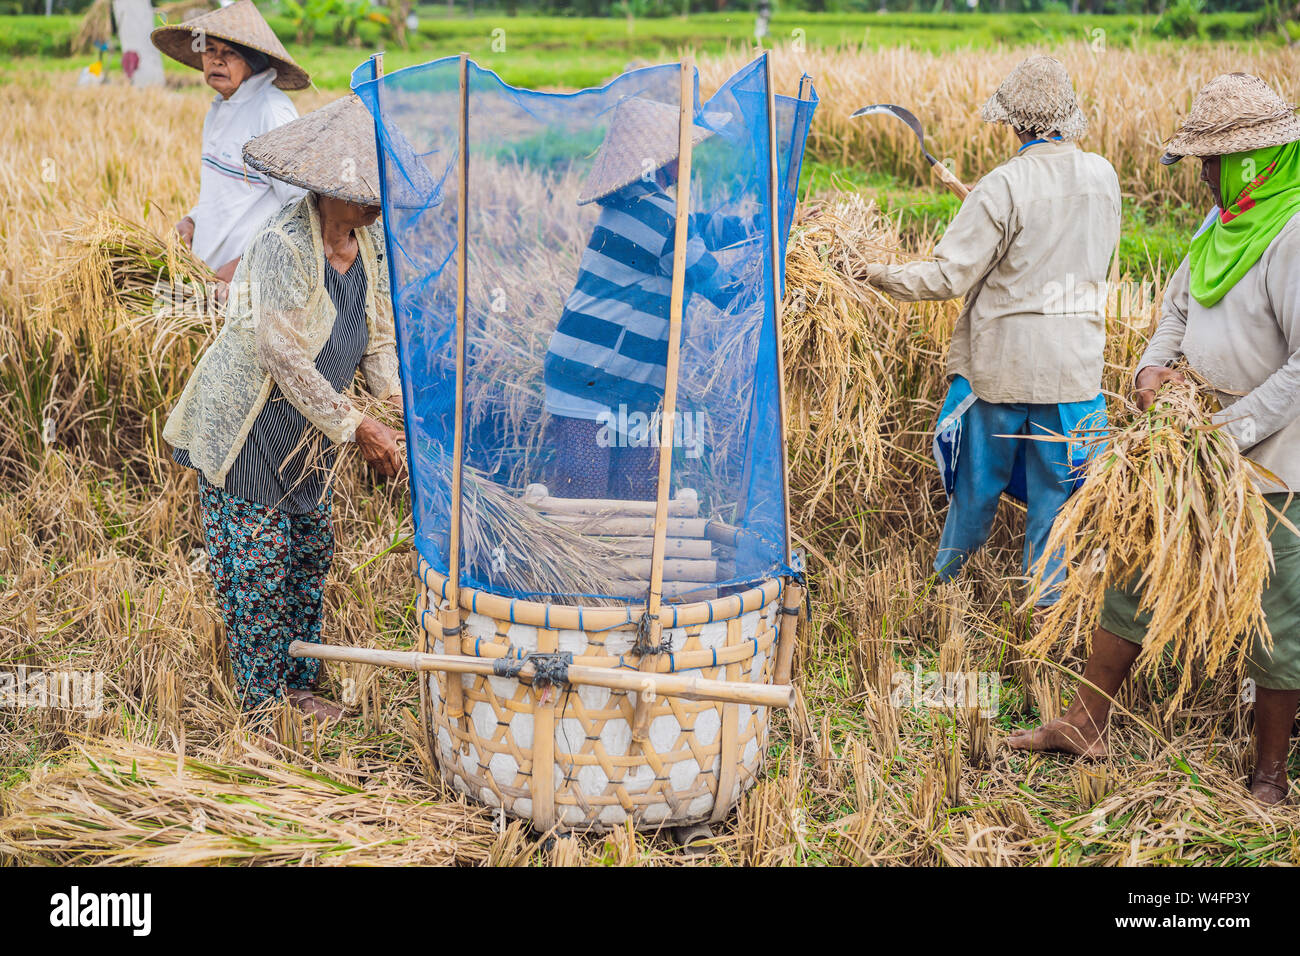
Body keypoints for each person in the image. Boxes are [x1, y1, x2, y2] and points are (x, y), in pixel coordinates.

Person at [1009, 73, 1300, 806]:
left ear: (1253, 162)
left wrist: (1225, 433)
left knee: (1280, 613)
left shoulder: (1292, 237)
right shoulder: (1221, 226)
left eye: (1213, 162)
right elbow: (1177, 309)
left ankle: (1268, 776)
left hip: (1273, 464)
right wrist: (1149, 371)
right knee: (1135, 568)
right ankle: (1085, 722)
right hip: (1190, 448)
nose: (1203, 177)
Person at [163, 96, 405, 721]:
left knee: (308, 551)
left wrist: (399, 409)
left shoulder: (366, 245)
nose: (375, 204)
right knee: (259, 563)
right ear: (325, 188)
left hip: (310, 436)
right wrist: (358, 426)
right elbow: (282, 357)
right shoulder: (281, 243)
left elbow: (375, 338)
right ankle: (265, 707)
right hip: (251, 428)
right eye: (362, 192)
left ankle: (301, 685)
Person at [861, 55, 1121, 616]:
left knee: (976, 491)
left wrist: (874, 272)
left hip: (1003, 371)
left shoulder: (1003, 186)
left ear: (1016, 125)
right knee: (1057, 504)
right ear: (1065, 117)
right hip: (1073, 375)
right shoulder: (1104, 176)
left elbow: (947, 275)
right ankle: (1044, 617)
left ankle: (942, 585)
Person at [543, 96, 739, 500]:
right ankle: (587, 566)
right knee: (589, 506)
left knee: (637, 499)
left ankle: (615, 566)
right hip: (592, 383)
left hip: (623, 386)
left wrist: (771, 226)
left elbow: (703, 226)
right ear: (666, 157)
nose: (688, 159)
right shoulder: (659, 215)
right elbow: (722, 289)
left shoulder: (639, 202)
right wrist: (788, 287)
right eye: (683, 151)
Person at [151, 0, 309, 284]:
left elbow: (301, 209)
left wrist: (245, 265)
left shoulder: (271, 112)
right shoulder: (219, 108)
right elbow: (228, 194)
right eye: (209, 49)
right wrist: (192, 221)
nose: (216, 60)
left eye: (230, 52)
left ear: (254, 60)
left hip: (252, 285)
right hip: (210, 279)